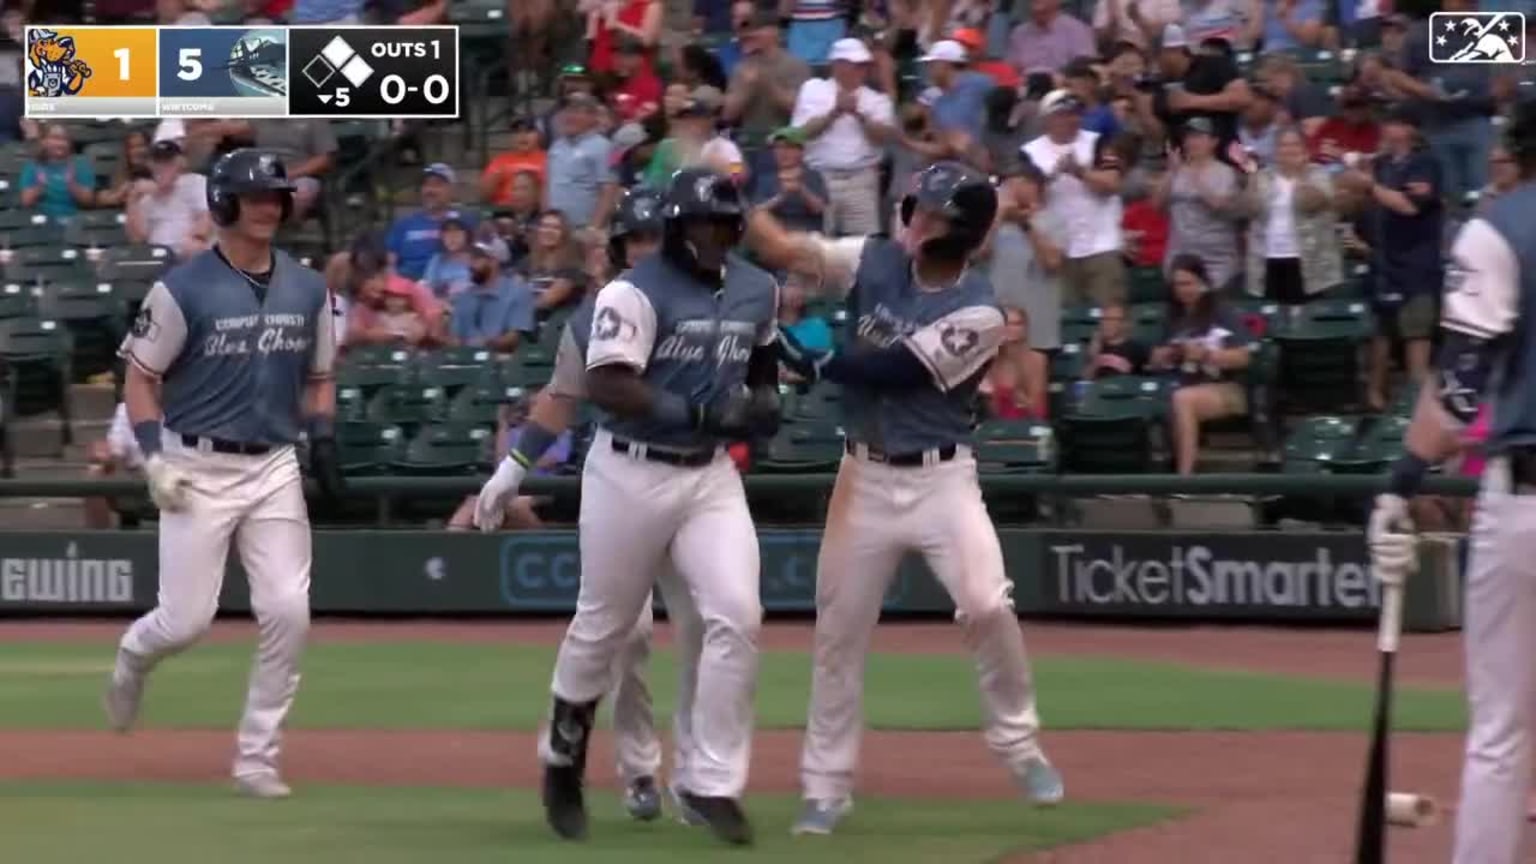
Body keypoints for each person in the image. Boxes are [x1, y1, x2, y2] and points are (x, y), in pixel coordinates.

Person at [745, 161, 1064, 836]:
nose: (916, 218)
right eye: (918, 207)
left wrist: (820, 362)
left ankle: (1020, 745)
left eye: (932, 213)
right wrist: (730, 187)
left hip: (942, 480)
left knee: (984, 602)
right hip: (863, 477)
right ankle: (825, 789)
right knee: (838, 634)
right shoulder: (875, 260)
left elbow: (897, 370)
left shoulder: (980, 309)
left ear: (964, 233)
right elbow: (780, 249)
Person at [535, 168, 780, 846]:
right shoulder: (633, 291)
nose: (714, 234)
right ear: (675, 227)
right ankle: (562, 762)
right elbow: (607, 382)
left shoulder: (758, 287)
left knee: (736, 613)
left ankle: (713, 781)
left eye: (725, 223)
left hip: (707, 477)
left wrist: (765, 405)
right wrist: (698, 408)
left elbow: (761, 365)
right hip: (629, 469)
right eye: (700, 223)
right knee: (605, 625)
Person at [102, 149, 341, 800]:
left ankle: (257, 758)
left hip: (271, 463)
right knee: (184, 621)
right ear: (224, 204)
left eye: (277, 196)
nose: (270, 206)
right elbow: (141, 380)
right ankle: (133, 657)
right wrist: (153, 461)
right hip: (195, 462)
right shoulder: (182, 287)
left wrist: (321, 433)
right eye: (257, 195)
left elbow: (321, 377)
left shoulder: (309, 287)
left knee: (289, 611)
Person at [476, 187, 697, 825]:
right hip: (624, 476)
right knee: (624, 636)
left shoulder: (704, 303)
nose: (649, 251)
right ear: (624, 247)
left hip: (694, 479)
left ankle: (699, 772)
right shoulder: (597, 312)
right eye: (639, 240)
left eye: (659, 238)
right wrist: (512, 469)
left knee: (711, 625)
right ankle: (639, 770)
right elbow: (562, 394)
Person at [1366, 99, 1536, 864]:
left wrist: (1403, 479)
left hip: (1527, 503)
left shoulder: (1498, 229)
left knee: (1502, 731)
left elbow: (1462, 385)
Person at [1335, 107, 1443, 411]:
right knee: (1379, 338)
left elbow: (1409, 206)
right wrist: (1352, 179)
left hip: (1416, 268)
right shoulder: (1381, 163)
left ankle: (1418, 409)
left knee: (1416, 339)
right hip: (1383, 265)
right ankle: (1374, 404)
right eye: (1387, 123)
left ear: (1411, 130)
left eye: (1395, 124)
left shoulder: (1426, 164)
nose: (1387, 129)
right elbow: (1356, 198)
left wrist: (1369, 185)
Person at [1148, 253, 1252, 475]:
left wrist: (1206, 355)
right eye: (1177, 285)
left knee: (1182, 399)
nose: (1182, 290)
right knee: (1169, 397)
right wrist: (1163, 355)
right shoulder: (1173, 316)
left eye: (1187, 283)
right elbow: (1155, 360)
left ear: (1202, 281)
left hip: (1225, 387)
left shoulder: (1221, 311)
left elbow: (1244, 356)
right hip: (1181, 382)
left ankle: (1185, 479)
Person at [1020, 89, 1126, 308]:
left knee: (1109, 311)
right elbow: (1025, 199)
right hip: (1057, 249)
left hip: (1101, 244)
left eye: (1075, 114)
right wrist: (1051, 178)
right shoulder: (1029, 153)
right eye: (1063, 114)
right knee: (1064, 317)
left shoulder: (1098, 143)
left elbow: (1113, 183)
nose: (1071, 119)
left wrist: (1080, 172)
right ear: (1047, 119)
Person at [788, 37, 893, 238]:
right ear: (836, 65)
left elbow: (882, 137)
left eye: (863, 65)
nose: (860, 70)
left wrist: (858, 114)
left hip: (860, 180)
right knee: (818, 244)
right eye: (853, 65)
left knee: (864, 246)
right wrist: (834, 112)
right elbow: (800, 134)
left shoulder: (877, 99)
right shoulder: (813, 89)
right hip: (819, 178)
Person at [1236, 125, 1342, 304]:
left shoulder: (1318, 174)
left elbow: (1311, 203)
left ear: (1304, 149)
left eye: (1295, 144)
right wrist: (1251, 180)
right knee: (1272, 316)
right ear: (1276, 150)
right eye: (1283, 145)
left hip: (1307, 261)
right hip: (1268, 258)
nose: (1289, 149)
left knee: (1303, 317)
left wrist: (1299, 175)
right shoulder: (1262, 177)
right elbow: (1250, 210)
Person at [1152, 117, 1243, 291]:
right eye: (1189, 137)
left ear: (1213, 142)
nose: (1192, 142)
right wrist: (1171, 173)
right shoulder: (1176, 170)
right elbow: (1156, 205)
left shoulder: (1225, 173)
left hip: (1216, 259)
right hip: (1180, 256)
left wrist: (1192, 175)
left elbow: (1218, 204)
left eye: (1199, 137)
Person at [1137, 25, 1251, 157]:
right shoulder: (1160, 85)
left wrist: (1192, 101)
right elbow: (1159, 136)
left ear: (1174, 50)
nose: (1156, 64)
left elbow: (1243, 98)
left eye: (1158, 56)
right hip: (1182, 164)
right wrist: (1137, 97)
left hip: (1224, 155)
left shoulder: (1213, 65)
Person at [124, 139, 212, 260]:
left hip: (188, 253)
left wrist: (195, 237)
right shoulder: (145, 195)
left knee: (194, 248)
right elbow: (137, 238)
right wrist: (133, 199)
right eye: (157, 161)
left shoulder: (195, 182)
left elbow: (207, 217)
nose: (162, 166)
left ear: (180, 163)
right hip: (156, 257)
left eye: (167, 161)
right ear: (150, 164)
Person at [448, 235, 536, 352]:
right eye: (470, 259)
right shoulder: (465, 296)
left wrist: (486, 343)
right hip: (465, 362)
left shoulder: (518, 291)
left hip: (503, 362)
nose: (470, 265)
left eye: (476, 259)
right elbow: (456, 338)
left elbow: (513, 339)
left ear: (494, 261)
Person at [386, 164, 472, 281]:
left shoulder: (466, 221)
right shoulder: (404, 225)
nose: (430, 190)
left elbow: (479, 258)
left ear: (452, 189)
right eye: (426, 185)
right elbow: (390, 265)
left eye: (437, 185)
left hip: (452, 286)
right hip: (409, 289)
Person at [751, 127, 830, 234]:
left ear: (801, 151)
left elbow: (820, 209)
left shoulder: (814, 176)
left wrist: (801, 189)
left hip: (808, 234)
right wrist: (781, 196)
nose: (782, 153)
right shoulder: (766, 178)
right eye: (777, 148)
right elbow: (758, 211)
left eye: (788, 147)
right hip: (775, 235)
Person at [20, 122, 94, 220]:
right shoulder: (33, 165)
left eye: (64, 139)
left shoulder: (81, 164)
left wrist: (72, 184)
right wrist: (40, 187)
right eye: (55, 138)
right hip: (42, 219)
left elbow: (88, 201)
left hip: (73, 219)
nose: (60, 144)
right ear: (44, 141)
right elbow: (26, 201)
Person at [1085, 301, 1149, 378]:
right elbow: (1086, 379)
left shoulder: (1136, 349)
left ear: (1123, 323)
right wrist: (1093, 357)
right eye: (1103, 319)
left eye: (1111, 319)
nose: (1106, 323)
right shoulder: (1095, 347)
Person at [420, 214, 474, 300]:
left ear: (467, 235)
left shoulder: (478, 257)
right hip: (442, 306)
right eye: (447, 233)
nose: (452, 238)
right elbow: (428, 288)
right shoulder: (437, 259)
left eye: (457, 233)